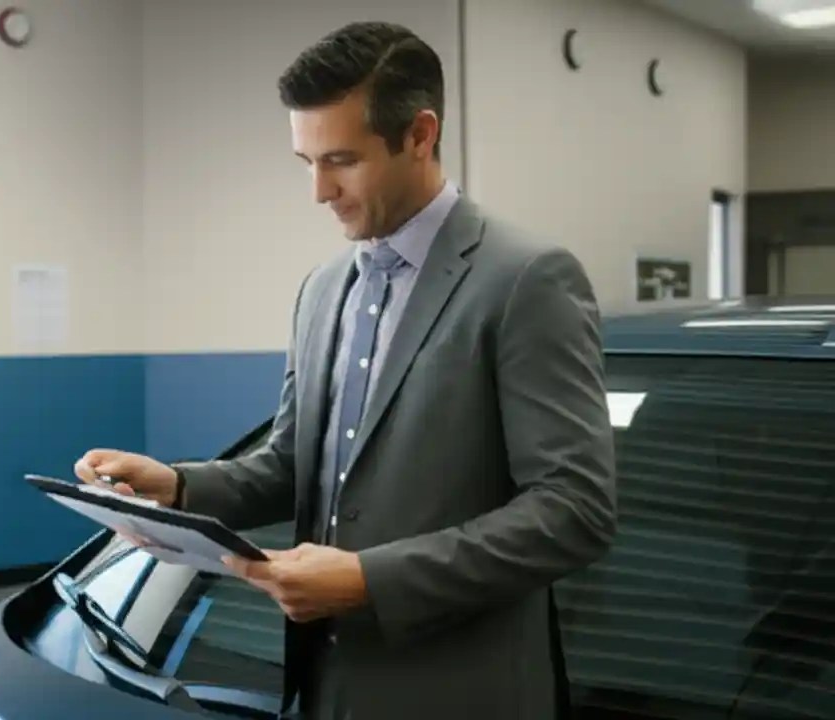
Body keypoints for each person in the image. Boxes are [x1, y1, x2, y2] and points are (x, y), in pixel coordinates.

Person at [74, 20, 617, 720]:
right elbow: (295, 465)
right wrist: (180, 486)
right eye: (306, 162)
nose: (319, 192)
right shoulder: (324, 289)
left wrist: (370, 582)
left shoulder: (526, 281)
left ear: (420, 135)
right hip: (322, 689)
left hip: (462, 696)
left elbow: (575, 509)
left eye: (341, 160)